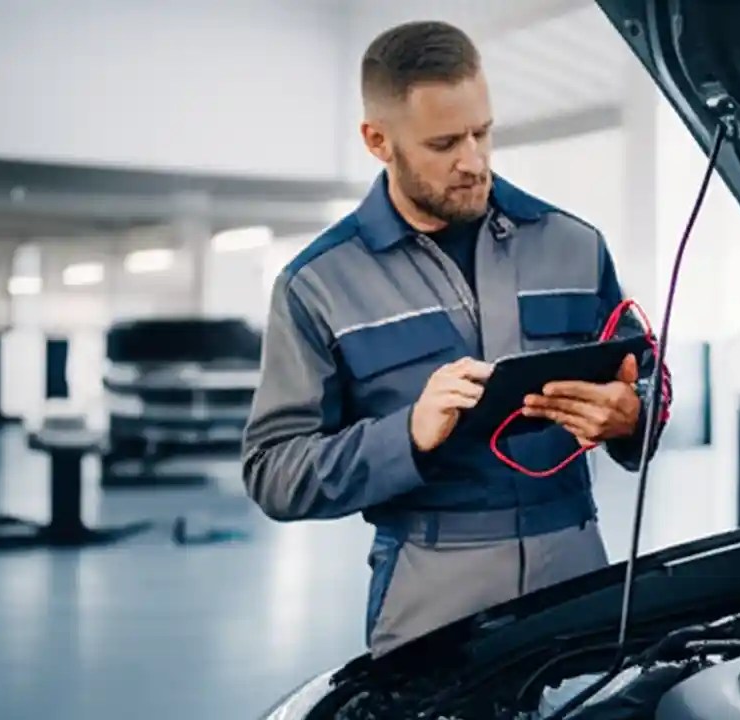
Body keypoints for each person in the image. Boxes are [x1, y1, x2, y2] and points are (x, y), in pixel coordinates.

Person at [241, 19, 671, 658]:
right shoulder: (319, 284)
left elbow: (649, 377)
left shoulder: (574, 244)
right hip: (431, 583)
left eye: (482, 133)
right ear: (377, 140)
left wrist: (633, 415)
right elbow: (274, 472)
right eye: (443, 143)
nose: (473, 161)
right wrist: (407, 434)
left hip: (578, 564)